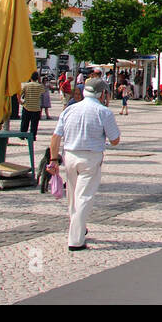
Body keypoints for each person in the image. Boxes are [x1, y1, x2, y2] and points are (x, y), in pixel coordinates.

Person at [48, 78, 122, 251]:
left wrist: (53, 159)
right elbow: (115, 140)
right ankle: (75, 240)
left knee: (73, 196)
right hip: (90, 158)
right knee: (84, 197)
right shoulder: (104, 112)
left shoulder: (69, 110)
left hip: (70, 156)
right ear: (102, 94)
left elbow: (55, 136)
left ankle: (78, 226)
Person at [19, 71, 44, 138]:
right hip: (36, 108)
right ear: (37, 78)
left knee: (25, 122)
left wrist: (20, 101)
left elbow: (19, 94)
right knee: (34, 124)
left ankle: (22, 135)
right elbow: (43, 91)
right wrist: (40, 81)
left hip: (27, 106)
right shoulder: (40, 86)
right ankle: (32, 136)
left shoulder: (26, 85)